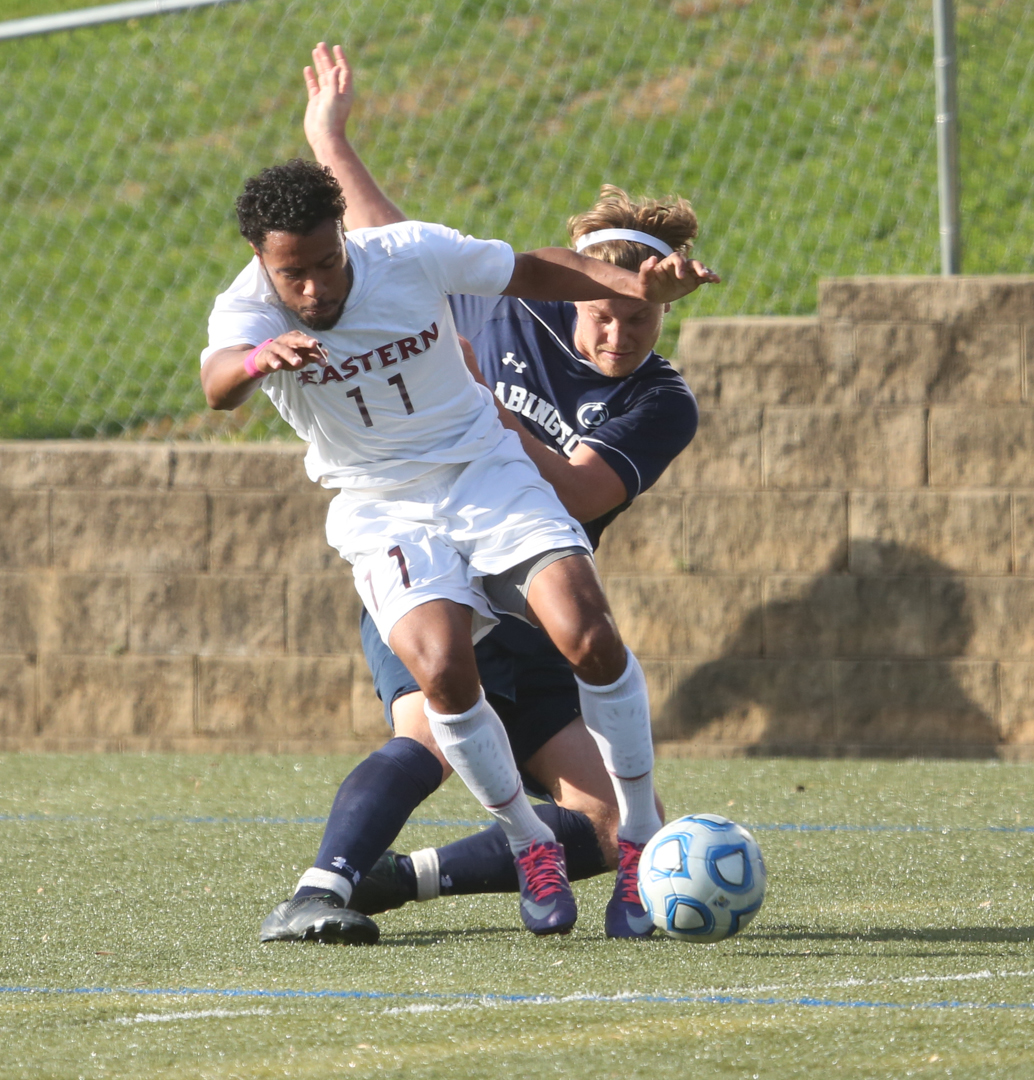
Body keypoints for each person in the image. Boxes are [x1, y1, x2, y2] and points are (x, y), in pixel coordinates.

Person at [203, 56, 718, 946]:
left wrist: (627, 291)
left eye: (638, 312)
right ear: (264, 264)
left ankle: (632, 847)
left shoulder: (659, 398)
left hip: (489, 487)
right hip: (388, 510)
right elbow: (218, 379)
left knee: (591, 638)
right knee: (438, 694)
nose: (316, 289)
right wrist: (257, 358)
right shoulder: (273, 310)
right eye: (605, 303)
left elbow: (580, 481)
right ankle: (416, 863)